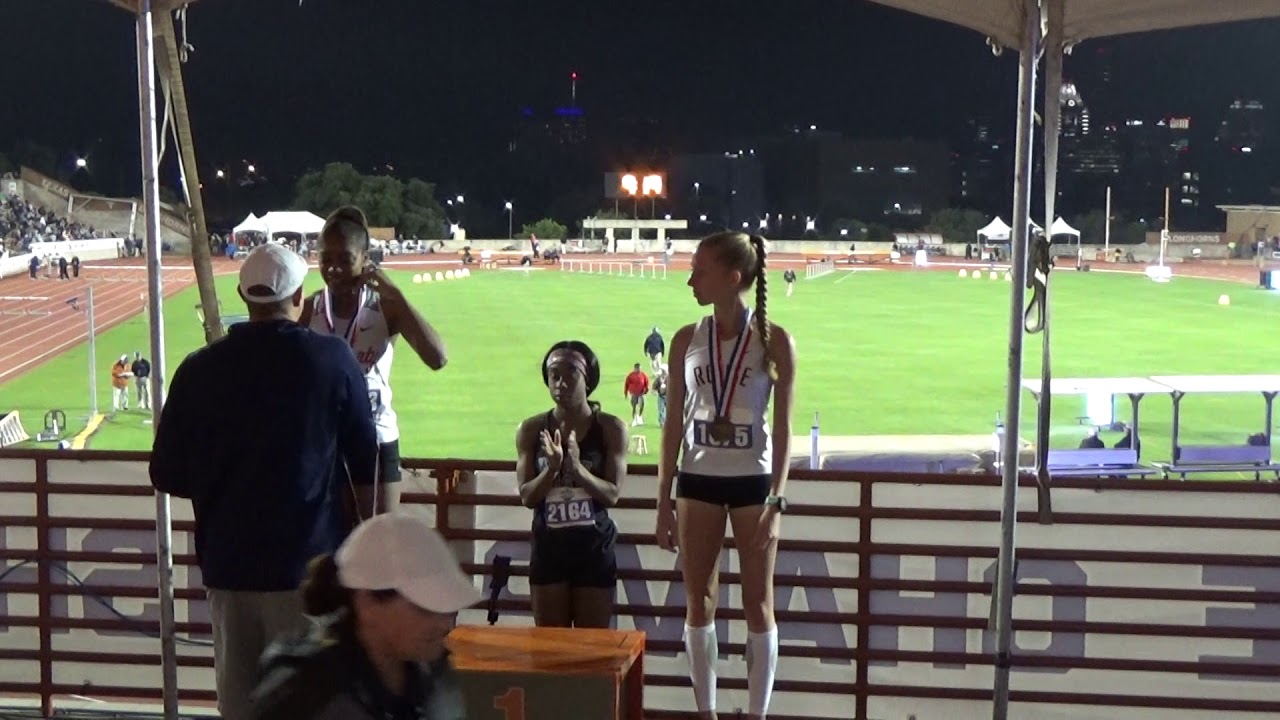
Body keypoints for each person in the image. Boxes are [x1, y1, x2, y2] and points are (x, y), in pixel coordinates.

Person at [150, 243, 381, 720]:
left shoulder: (198, 369)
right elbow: (365, 459)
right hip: (308, 570)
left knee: (240, 707)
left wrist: (225, 483)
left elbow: (166, 472)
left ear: (243, 295)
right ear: (300, 298)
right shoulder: (332, 359)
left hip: (228, 570)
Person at [655, 231, 797, 720]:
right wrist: (662, 501)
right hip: (696, 483)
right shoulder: (684, 340)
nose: (691, 278)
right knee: (700, 602)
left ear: (732, 279)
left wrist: (777, 502)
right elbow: (672, 423)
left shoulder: (774, 341)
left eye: (700, 270)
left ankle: (757, 715)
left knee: (759, 605)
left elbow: (784, 430)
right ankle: (706, 713)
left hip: (754, 487)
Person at [248, 512, 478, 720]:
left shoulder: (434, 674)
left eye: (447, 609)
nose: (444, 623)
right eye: (425, 607)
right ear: (366, 603)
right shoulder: (306, 690)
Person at [301, 206, 448, 510]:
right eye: (326, 259)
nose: (334, 268)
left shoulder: (384, 306)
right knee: (329, 547)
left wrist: (399, 298)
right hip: (323, 439)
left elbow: (437, 358)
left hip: (377, 437)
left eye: (345, 259)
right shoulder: (308, 309)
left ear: (366, 258)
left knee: (379, 542)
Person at [515, 341, 628, 628]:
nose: (560, 383)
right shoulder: (531, 430)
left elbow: (612, 494)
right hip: (549, 549)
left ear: (588, 379)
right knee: (551, 647)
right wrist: (552, 470)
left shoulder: (611, 429)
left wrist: (577, 469)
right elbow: (527, 496)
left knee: (592, 648)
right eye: (554, 375)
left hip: (593, 549)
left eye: (570, 374)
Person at [623, 362, 650, 427]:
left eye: (640, 368)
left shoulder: (643, 375)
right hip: (634, 393)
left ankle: (639, 416)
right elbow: (626, 384)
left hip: (641, 393)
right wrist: (626, 393)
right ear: (635, 368)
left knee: (642, 404)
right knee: (634, 406)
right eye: (638, 368)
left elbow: (647, 382)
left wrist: (646, 390)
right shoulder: (631, 375)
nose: (639, 370)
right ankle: (634, 419)